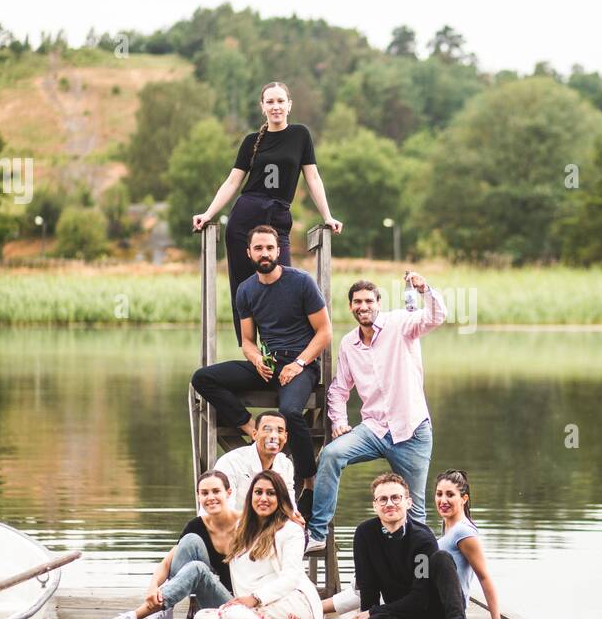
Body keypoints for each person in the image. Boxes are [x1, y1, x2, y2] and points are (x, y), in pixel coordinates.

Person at [191, 81, 343, 345]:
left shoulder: (300, 135)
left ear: (289, 105)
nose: (276, 107)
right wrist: (208, 213)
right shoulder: (251, 142)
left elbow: (314, 178)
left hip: (279, 216)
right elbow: (232, 181)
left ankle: (285, 348)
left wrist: (327, 216)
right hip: (245, 215)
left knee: (284, 281)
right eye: (270, 102)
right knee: (243, 285)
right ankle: (250, 349)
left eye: (280, 101)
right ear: (262, 107)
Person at [190, 226, 332, 511]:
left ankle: (307, 482)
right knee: (203, 378)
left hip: (300, 364)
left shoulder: (301, 282)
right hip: (268, 365)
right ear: (249, 253)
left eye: (269, 248)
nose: (264, 253)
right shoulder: (246, 289)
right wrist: (255, 359)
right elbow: (247, 341)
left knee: (291, 412)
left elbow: (325, 332)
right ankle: (250, 427)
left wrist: (298, 364)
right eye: (258, 248)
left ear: (278, 251)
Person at [306, 272, 446, 554]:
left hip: (411, 430)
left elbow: (436, 316)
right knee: (332, 455)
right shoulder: (348, 343)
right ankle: (317, 533)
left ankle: (420, 572)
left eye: (369, 300)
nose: (363, 306)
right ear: (350, 307)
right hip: (374, 429)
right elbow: (338, 390)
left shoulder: (400, 324)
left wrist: (424, 289)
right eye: (357, 302)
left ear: (378, 303)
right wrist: (340, 423)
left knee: (415, 510)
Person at [340, 473, 487, 619]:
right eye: (383, 499)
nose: (389, 504)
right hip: (400, 615)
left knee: (442, 558)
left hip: (431, 608)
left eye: (396, 497)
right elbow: (368, 589)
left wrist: (373, 613)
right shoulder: (365, 535)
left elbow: (420, 598)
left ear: (408, 503)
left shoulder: (422, 539)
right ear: (374, 505)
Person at [192, 470, 322, 619]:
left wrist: (254, 599)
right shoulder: (241, 529)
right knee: (201, 618)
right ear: (250, 495)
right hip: (255, 611)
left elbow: (291, 578)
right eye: (258, 492)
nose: (263, 498)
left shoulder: (290, 530)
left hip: (292, 605)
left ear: (280, 498)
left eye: (271, 493)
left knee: (230, 614)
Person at [98, 469, 238, 619]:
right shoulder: (197, 525)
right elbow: (166, 563)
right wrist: (153, 587)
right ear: (198, 497)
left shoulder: (246, 524)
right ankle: (163, 614)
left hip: (238, 604)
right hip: (207, 602)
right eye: (204, 493)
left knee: (197, 568)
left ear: (228, 493)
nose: (210, 497)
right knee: (189, 540)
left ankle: (132, 617)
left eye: (216, 491)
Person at [434, 469, 518, 619]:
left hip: (448, 611)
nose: (443, 500)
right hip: (436, 603)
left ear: (464, 499)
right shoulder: (449, 528)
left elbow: (484, 577)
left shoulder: (463, 532)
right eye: (439, 494)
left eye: (450, 495)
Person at [212, 410, 297, 515]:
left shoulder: (285, 464)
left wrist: (295, 518)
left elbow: (289, 505)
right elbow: (223, 511)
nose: (273, 436)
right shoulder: (230, 462)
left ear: (285, 437)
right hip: (232, 525)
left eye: (279, 431)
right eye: (267, 429)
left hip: (268, 525)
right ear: (255, 434)